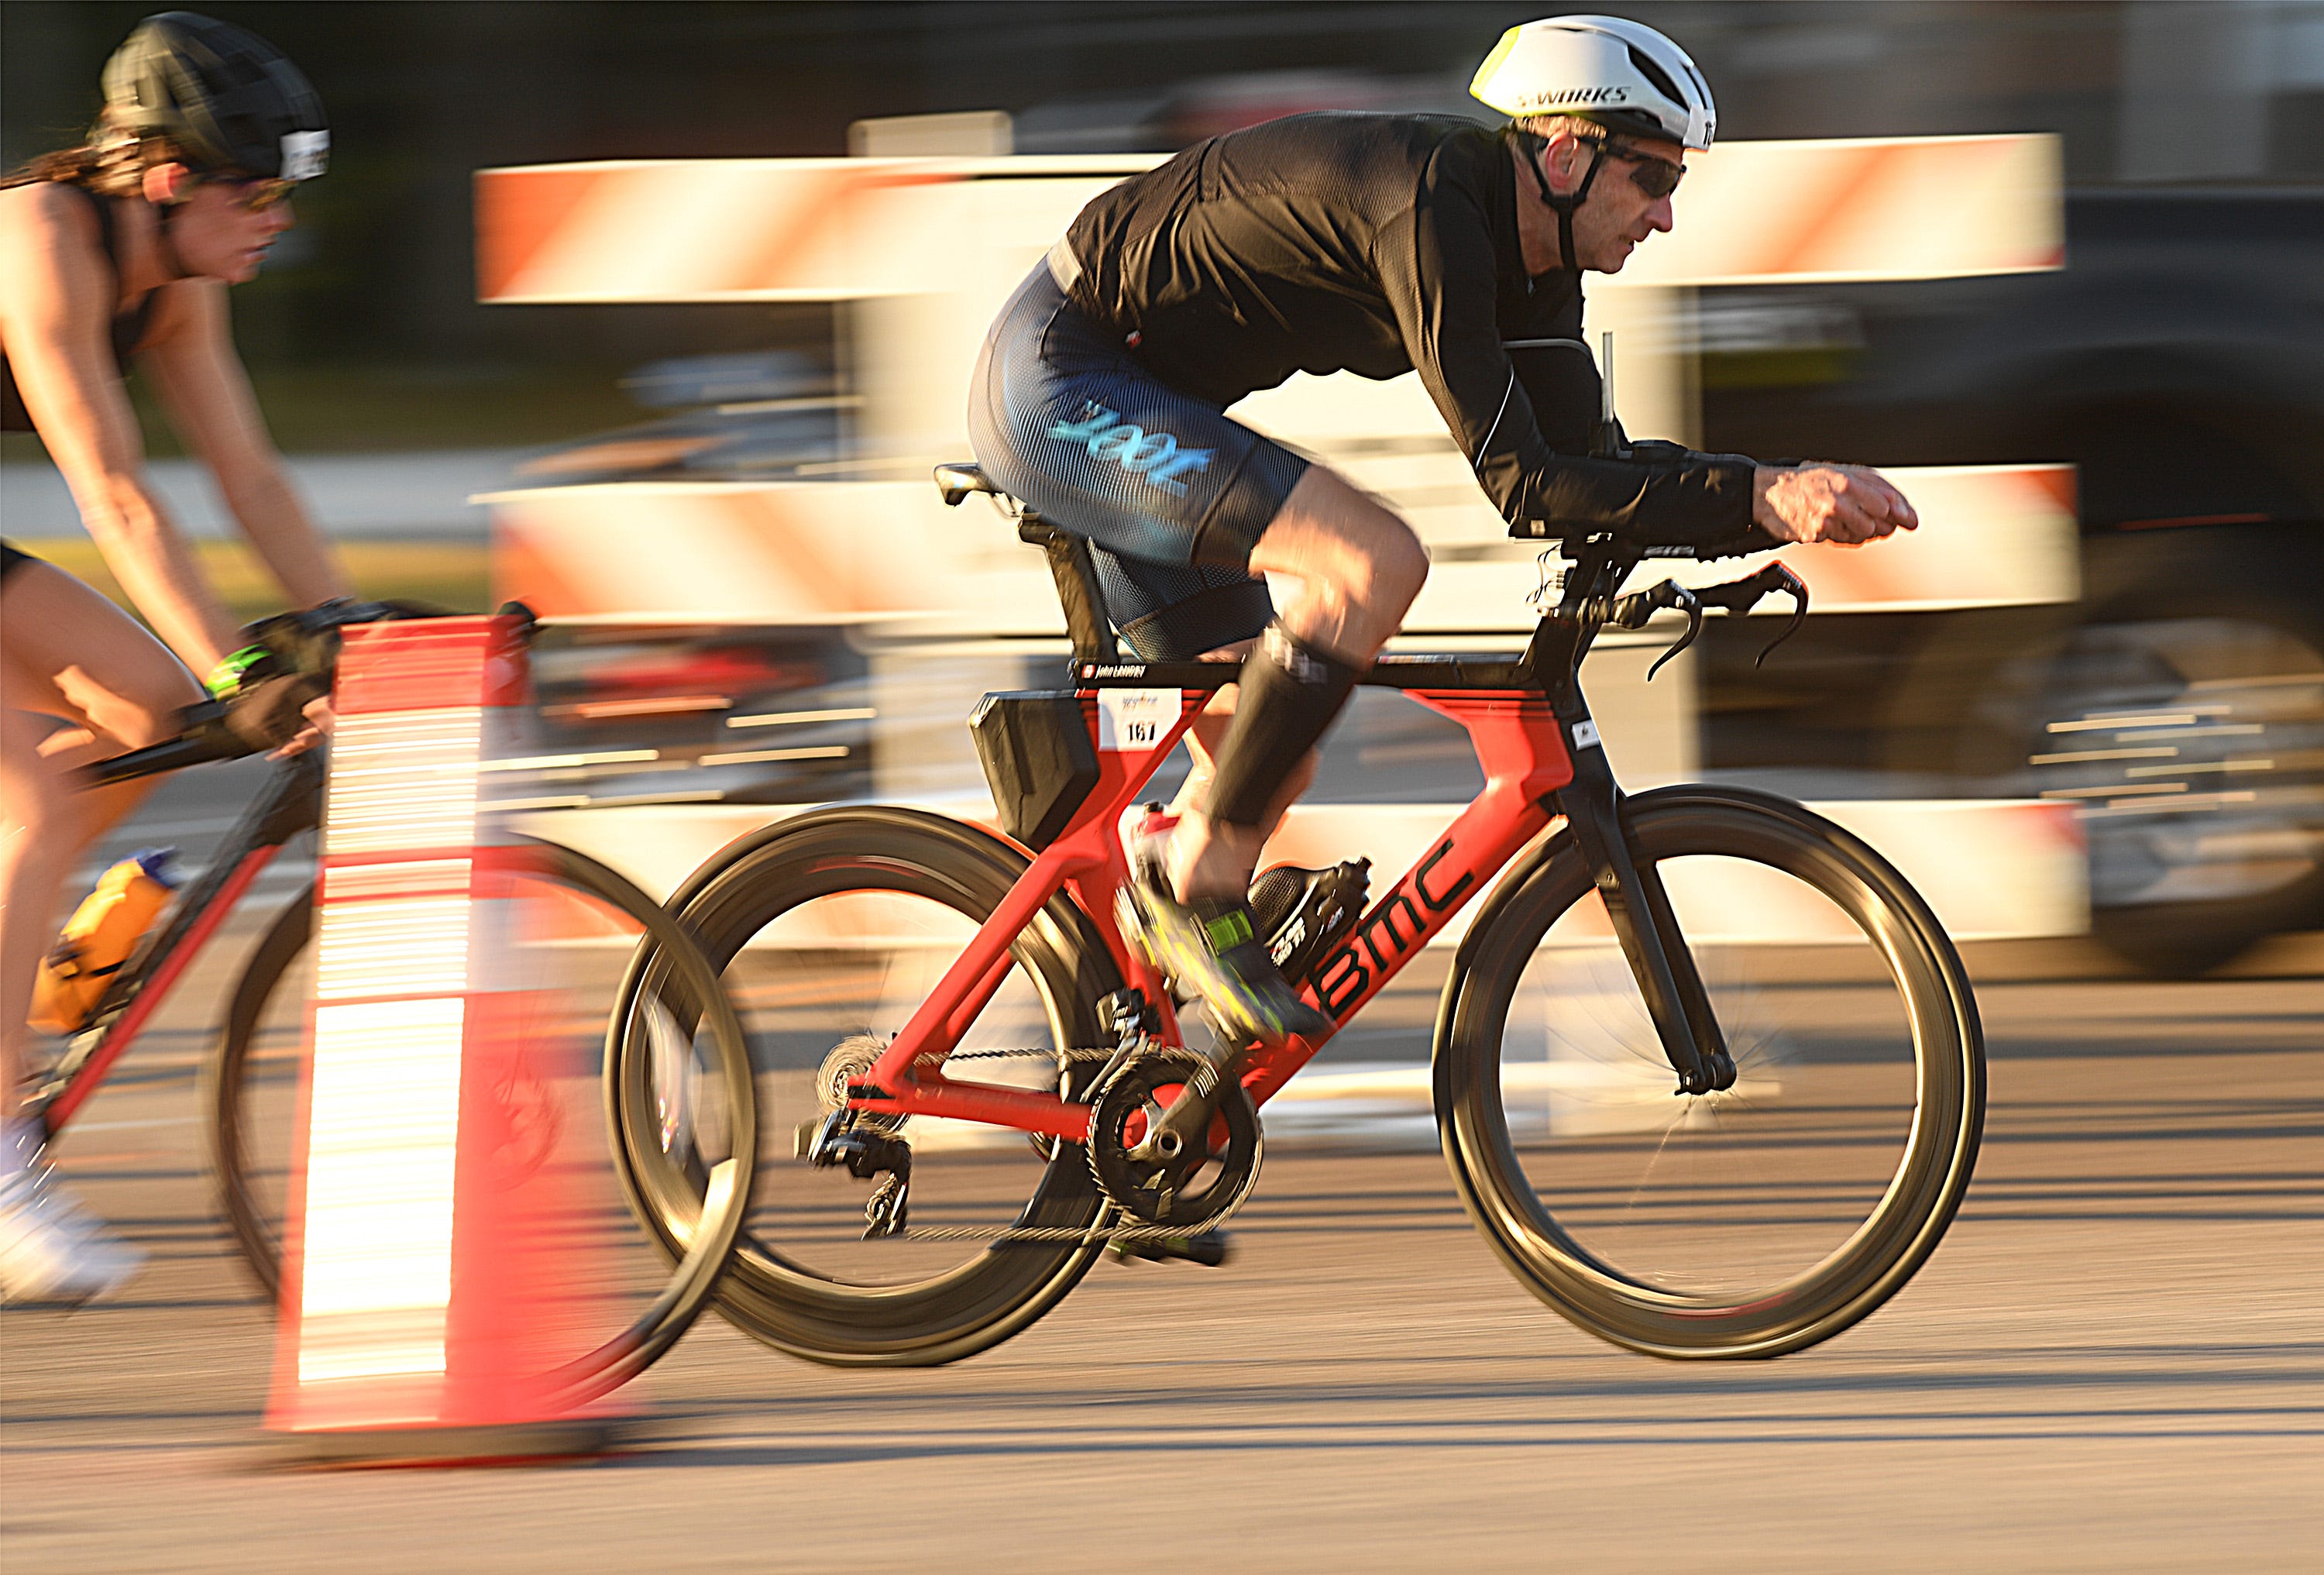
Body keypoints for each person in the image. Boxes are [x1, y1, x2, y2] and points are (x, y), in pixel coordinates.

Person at [968, 15, 1917, 1048]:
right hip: (1063, 376)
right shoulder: (1429, 206)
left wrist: (1763, 492)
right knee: (1371, 560)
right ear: (1565, 151)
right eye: (1654, 179)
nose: (1667, 215)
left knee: (1267, 753)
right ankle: (1191, 878)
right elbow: (1526, 486)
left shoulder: (1538, 263)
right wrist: (1759, 499)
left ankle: (1142, 1117)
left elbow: (1587, 465)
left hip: (1143, 396)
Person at [0, 12, 347, 1304]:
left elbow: (247, 472)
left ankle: (25, 961)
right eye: (256, 195)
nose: (278, 221)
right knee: (47, 785)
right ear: (164, 178)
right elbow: (115, 494)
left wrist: (350, 623)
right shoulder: (37, 244)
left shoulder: (181, 279)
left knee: (145, 713)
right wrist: (233, 676)